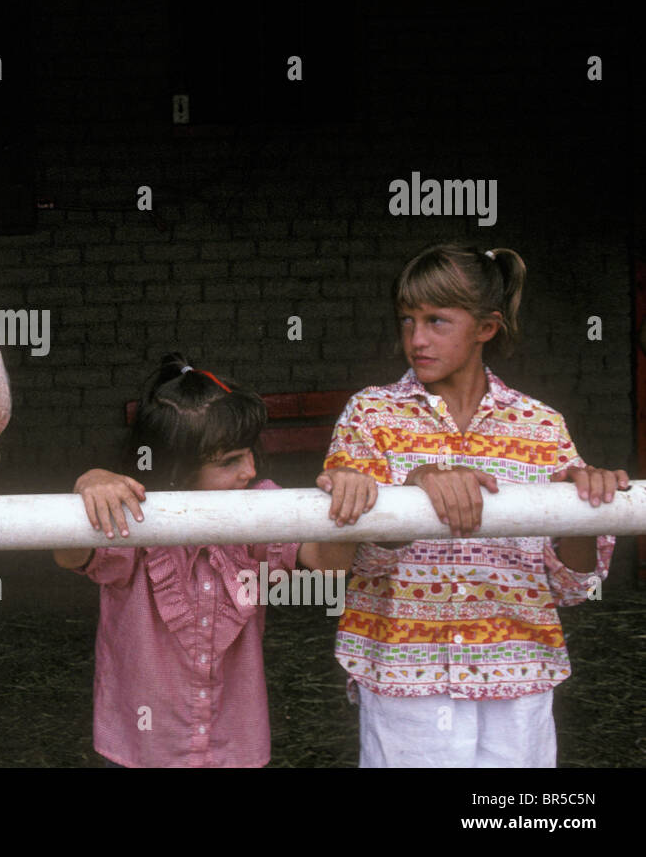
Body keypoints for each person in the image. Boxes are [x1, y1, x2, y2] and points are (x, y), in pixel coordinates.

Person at [318, 242, 629, 767]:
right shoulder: (370, 415)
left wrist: (584, 502)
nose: (416, 339)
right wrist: (414, 487)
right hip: (404, 668)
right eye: (407, 320)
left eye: (437, 320)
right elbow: (333, 562)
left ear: (486, 327)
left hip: (518, 670)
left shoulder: (541, 426)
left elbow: (574, 585)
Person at [54, 352, 355, 767]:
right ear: (176, 469)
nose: (249, 469)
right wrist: (87, 485)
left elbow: (329, 564)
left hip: (230, 744)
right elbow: (69, 553)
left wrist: (346, 504)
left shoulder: (259, 507)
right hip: (143, 749)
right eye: (229, 461)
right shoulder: (134, 517)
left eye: (250, 452)